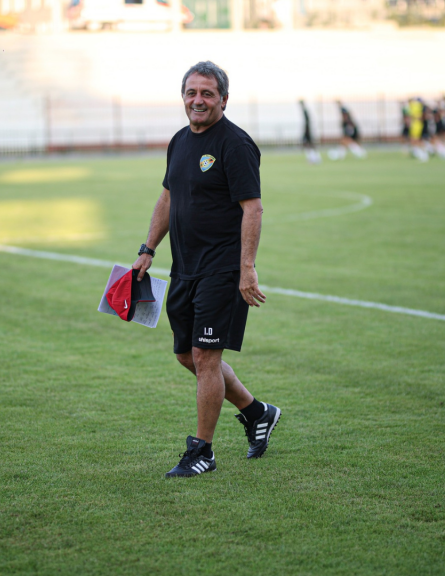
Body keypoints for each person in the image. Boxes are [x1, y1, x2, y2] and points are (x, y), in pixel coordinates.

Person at [132, 61, 281, 478]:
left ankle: (202, 451)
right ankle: (257, 412)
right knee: (187, 356)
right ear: (183, 97)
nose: (198, 100)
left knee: (205, 356)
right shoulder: (179, 141)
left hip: (222, 269)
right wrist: (147, 249)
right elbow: (168, 198)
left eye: (207, 94)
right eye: (191, 93)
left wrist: (246, 269)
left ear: (223, 100)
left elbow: (253, 209)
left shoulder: (236, 144)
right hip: (184, 268)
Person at [299, 100, 321, 164]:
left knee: (309, 144)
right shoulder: (305, 111)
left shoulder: (305, 111)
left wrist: (307, 130)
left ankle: (315, 158)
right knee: (308, 144)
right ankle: (312, 158)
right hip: (307, 130)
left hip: (307, 130)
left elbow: (307, 121)